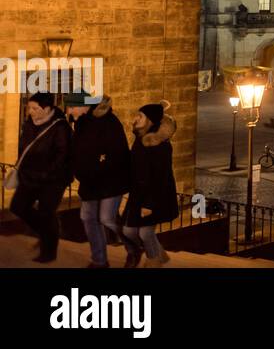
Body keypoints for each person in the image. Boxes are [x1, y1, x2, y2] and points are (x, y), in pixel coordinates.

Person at [68, 93, 130, 269]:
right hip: (89, 182)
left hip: (110, 182)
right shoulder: (81, 123)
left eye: (72, 107)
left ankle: (133, 245)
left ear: (84, 106)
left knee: (107, 219)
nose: (69, 111)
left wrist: (98, 166)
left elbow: (117, 154)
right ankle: (99, 261)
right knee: (88, 218)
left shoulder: (109, 122)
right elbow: (77, 151)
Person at [10, 92, 72, 263]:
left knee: (46, 213)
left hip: (52, 180)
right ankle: (48, 232)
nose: (30, 111)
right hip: (30, 176)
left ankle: (49, 250)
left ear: (47, 109)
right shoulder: (29, 124)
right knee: (17, 207)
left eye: (35, 108)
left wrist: (45, 173)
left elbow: (62, 155)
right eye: (29, 107)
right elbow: (24, 147)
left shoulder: (60, 127)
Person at [122, 102, 179, 268]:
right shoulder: (140, 138)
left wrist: (149, 204)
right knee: (128, 231)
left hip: (154, 196)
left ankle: (154, 261)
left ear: (150, 121)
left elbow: (160, 178)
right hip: (138, 194)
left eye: (140, 116)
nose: (135, 119)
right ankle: (160, 254)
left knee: (145, 232)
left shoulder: (160, 145)